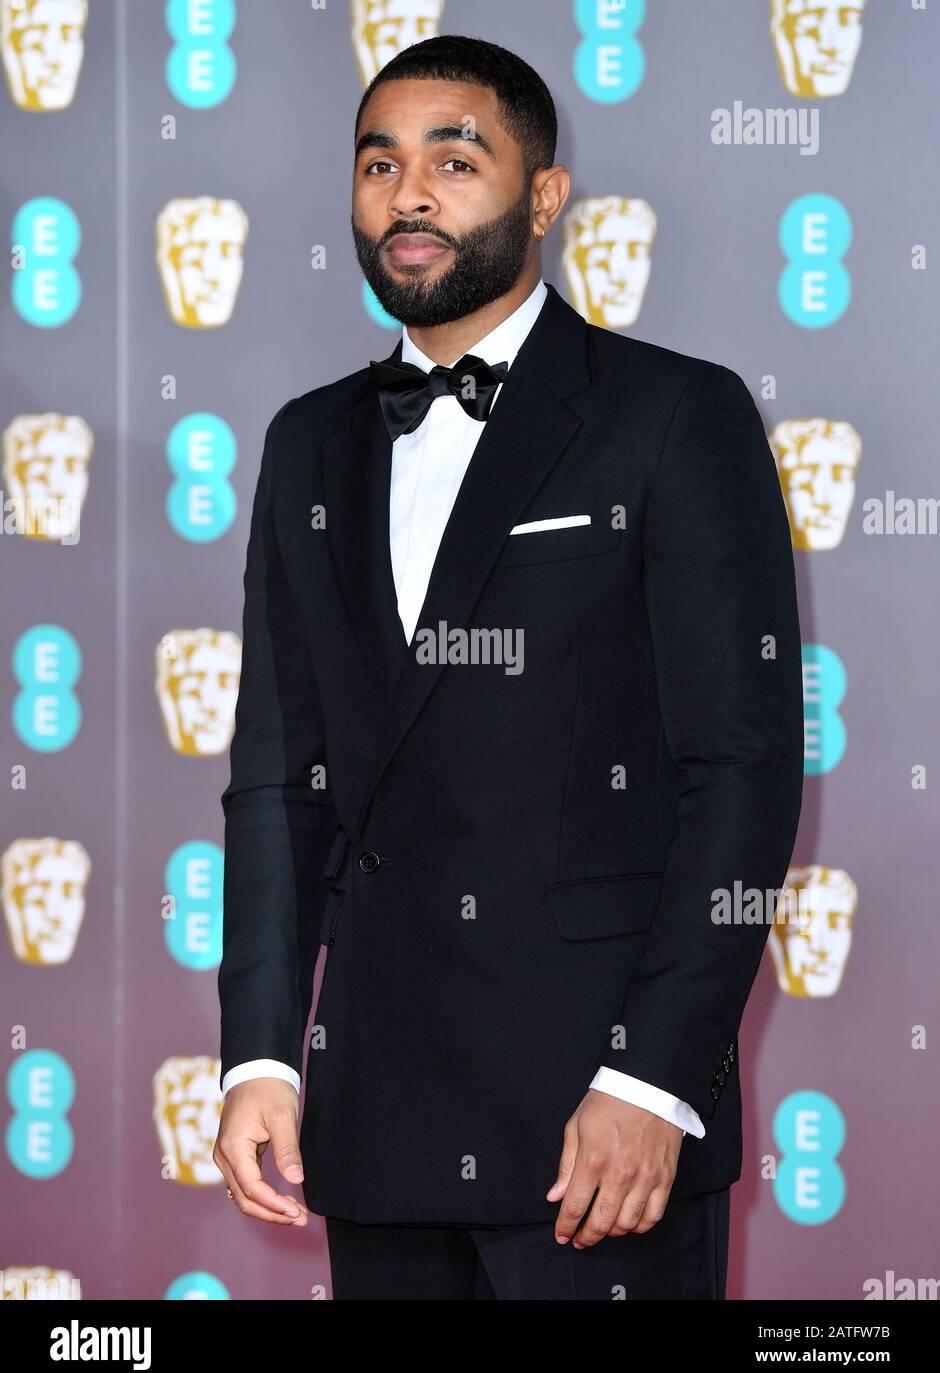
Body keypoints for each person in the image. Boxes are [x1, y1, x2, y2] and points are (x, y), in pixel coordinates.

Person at [213, 34, 804, 1301]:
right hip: (372, 1123)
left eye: (453, 158)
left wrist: (654, 1078)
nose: (408, 194)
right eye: (379, 163)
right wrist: (259, 1056)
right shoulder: (308, 442)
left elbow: (740, 770)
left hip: (595, 1129)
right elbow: (275, 776)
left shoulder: (670, 415)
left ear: (543, 196)